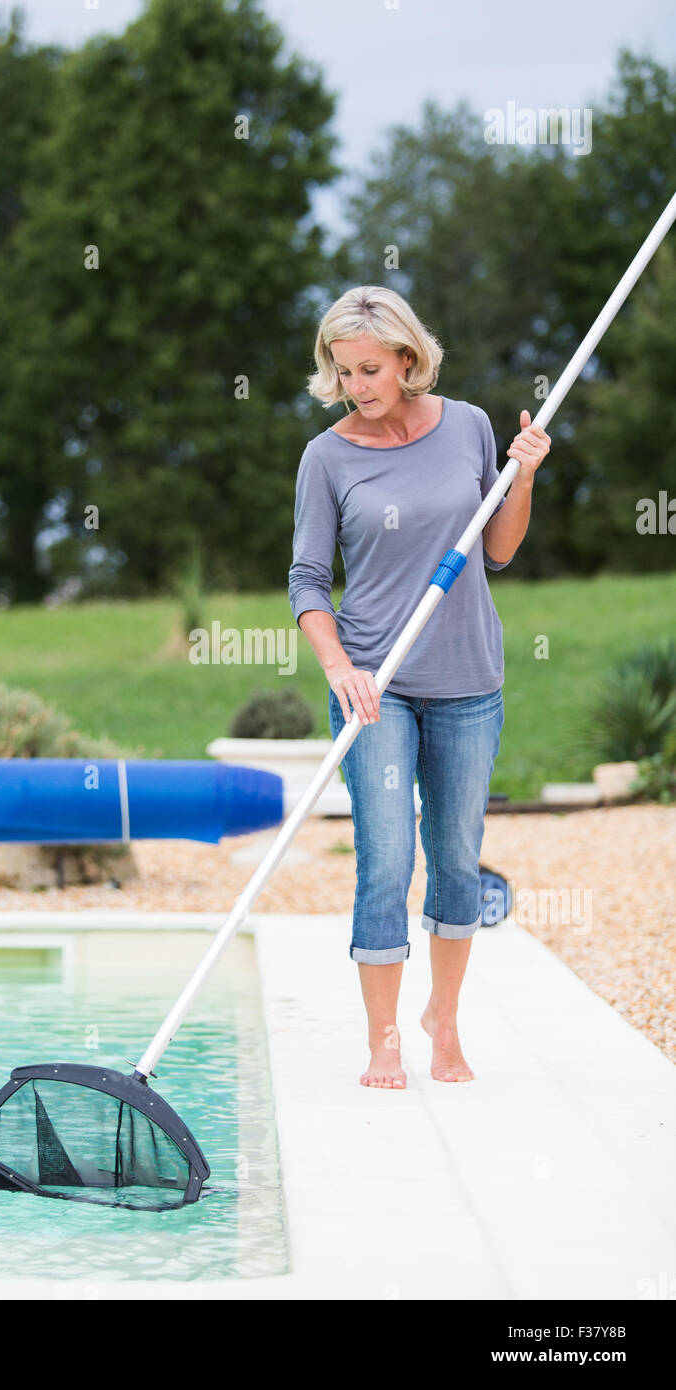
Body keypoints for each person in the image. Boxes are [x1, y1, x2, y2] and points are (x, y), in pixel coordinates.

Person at [288, 286, 550, 1089]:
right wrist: (340, 668)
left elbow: (497, 550)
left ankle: (444, 1022)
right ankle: (384, 1039)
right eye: (343, 372)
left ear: (407, 358)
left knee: (458, 858)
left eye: (371, 368)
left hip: (468, 675)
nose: (358, 385)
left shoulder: (469, 426)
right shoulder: (327, 456)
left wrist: (524, 475)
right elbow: (307, 582)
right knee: (386, 856)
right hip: (376, 682)